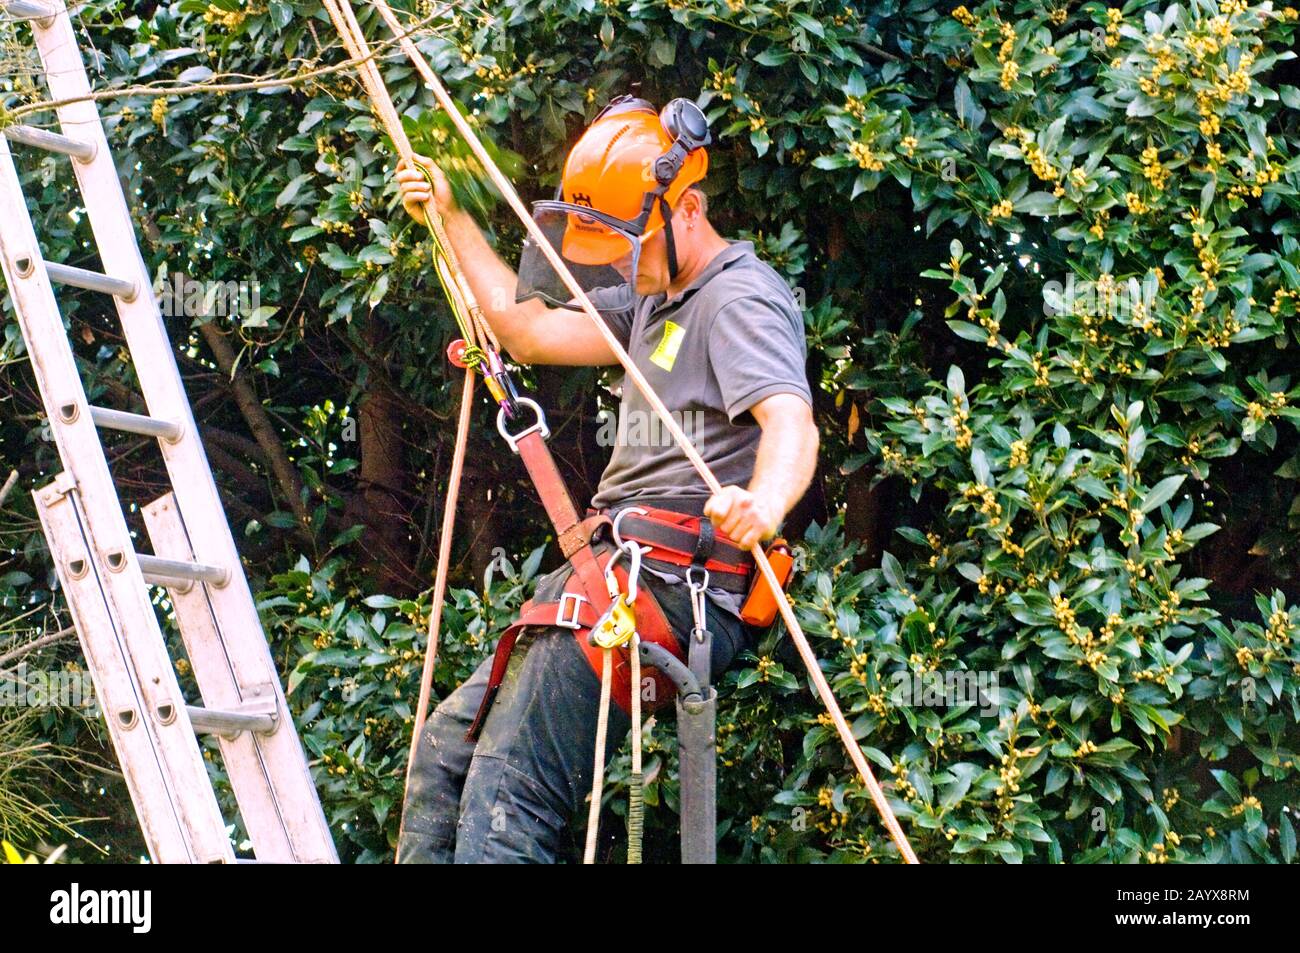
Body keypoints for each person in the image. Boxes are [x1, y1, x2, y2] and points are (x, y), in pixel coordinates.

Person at [393, 95, 818, 863]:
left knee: (507, 795)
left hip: (668, 585)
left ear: (688, 207)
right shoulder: (658, 297)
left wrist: (765, 500)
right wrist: (449, 214)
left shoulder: (737, 298)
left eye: (633, 242)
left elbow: (792, 420)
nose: (624, 261)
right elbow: (524, 329)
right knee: (445, 760)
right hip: (614, 572)